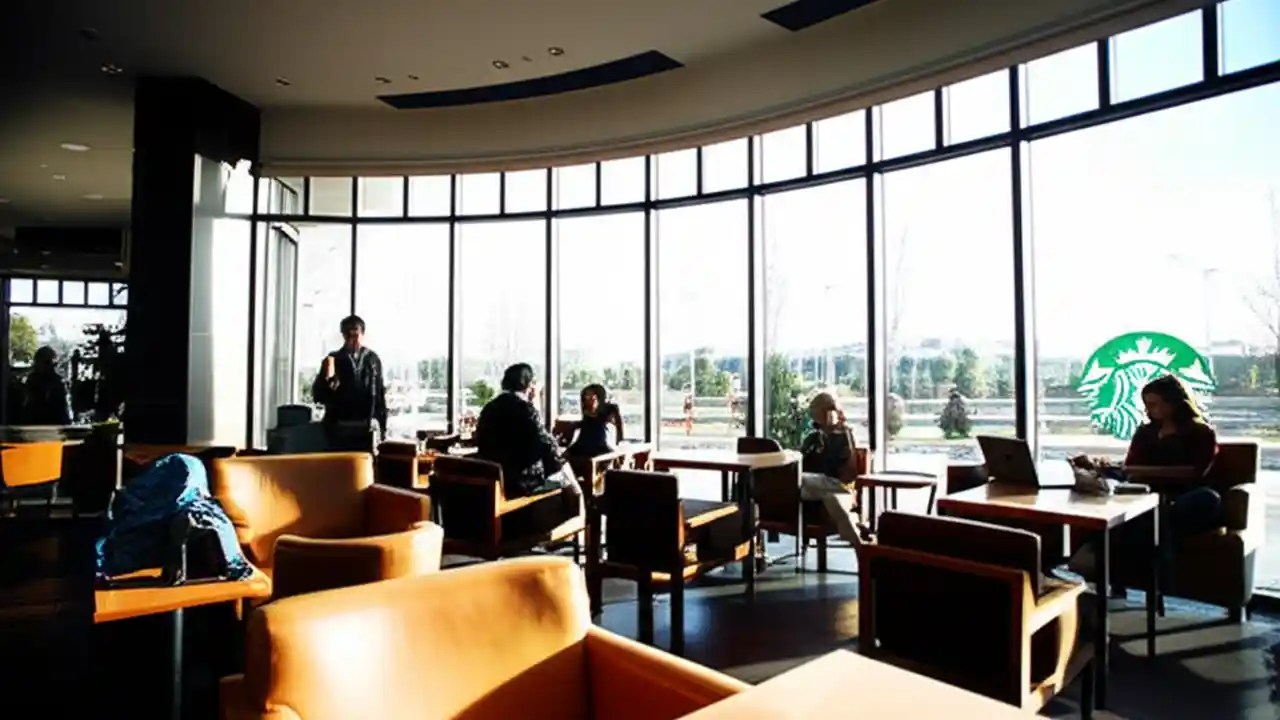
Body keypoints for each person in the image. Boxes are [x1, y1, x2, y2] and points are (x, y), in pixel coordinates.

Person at [1070, 374, 1221, 586]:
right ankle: (1134, 564)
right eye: (1146, 404)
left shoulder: (1201, 432)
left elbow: (1196, 472)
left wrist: (1139, 470)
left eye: (1153, 404)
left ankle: (1107, 558)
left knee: (1208, 498)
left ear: (1173, 403)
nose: (1148, 410)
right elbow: (1130, 469)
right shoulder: (1145, 432)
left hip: (1185, 495)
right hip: (1144, 494)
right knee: (1113, 499)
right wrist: (1102, 468)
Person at [474, 363, 583, 526]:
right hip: (521, 486)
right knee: (570, 483)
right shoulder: (525, 410)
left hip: (495, 486)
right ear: (529, 386)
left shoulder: (488, 409)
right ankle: (577, 528)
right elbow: (549, 448)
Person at [799, 392, 872, 540]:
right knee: (793, 482)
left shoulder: (844, 435)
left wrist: (833, 436)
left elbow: (845, 471)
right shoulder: (813, 437)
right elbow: (803, 461)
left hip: (837, 483)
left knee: (798, 481)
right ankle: (855, 530)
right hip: (819, 484)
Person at [311, 315, 387, 452]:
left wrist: (382, 426)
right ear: (343, 335)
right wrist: (328, 383)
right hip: (339, 426)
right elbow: (318, 395)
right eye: (348, 335)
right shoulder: (333, 359)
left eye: (356, 335)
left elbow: (380, 394)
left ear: (362, 334)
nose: (352, 340)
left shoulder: (372, 360)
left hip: (365, 426)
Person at [565, 384, 619, 458]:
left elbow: (618, 426)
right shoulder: (586, 412)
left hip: (600, 444)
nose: (589, 401)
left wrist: (618, 442)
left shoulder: (607, 411)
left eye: (592, 398)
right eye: (586, 398)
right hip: (582, 444)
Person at [24, 346, 72, 425]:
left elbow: (62, 408)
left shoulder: (58, 381)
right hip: (36, 424)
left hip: (53, 424)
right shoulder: (32, 380)